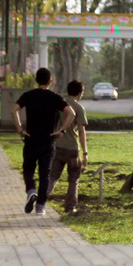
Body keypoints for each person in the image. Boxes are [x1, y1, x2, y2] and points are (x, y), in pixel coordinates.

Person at [11, 68, 74, 216]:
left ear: (36, 80)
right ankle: (40, 207)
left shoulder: (28, 96)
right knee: (45, 175)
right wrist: (62, 130)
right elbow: (71, 113)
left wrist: (20, 129)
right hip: (48, 140)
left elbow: (13, 110)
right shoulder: (55, 97)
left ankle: (31, 191)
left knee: (28, 170)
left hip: (31, 139)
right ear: (50, 81)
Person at [48, 80, 89, 214]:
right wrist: (85, 153)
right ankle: (70, 207)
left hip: (57, 145)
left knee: (53, 177)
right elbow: (82, 132)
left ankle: (41, 198)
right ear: (79, 93)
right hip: (72, 148)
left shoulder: (59, 105)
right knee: (73, 179)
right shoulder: (78, 108)